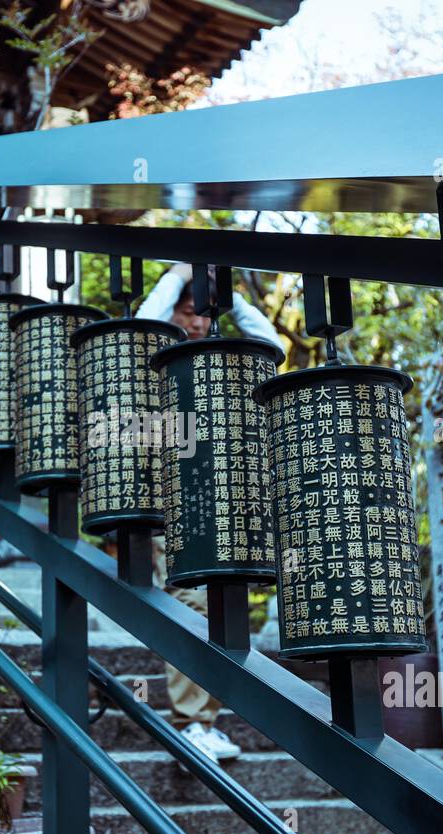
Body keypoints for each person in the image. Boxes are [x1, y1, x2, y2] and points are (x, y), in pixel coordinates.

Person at [136, 263, 281, 763]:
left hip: (225, 493)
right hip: (176, 495)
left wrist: (229, 297)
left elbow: (270, 343)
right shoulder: (159, 352)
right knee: (188, 601)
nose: (195, 322)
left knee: (223, 605)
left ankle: (205, 719)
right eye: (186, 309)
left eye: (203, 313)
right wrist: (175, 278)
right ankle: (190, 721)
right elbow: (146, 317)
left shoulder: (223, 354)